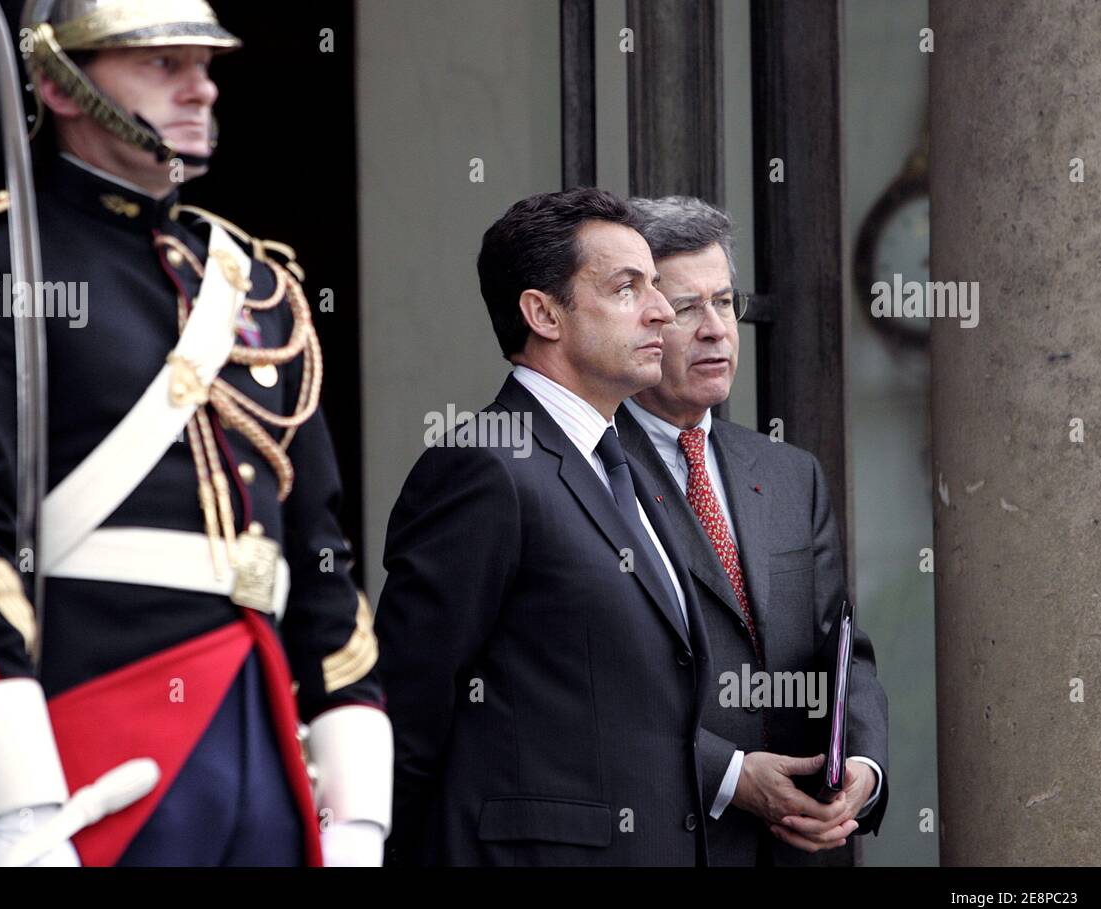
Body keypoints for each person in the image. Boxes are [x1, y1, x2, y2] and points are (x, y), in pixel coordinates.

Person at [0, 0, 390, 867]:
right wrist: (18, 799)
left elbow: (318, 555)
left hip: (266, 739)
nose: (201, 89)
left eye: (205, 65)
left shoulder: (255, 285)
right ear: (60, 86)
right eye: (162, 65)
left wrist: (357, 810)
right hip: (90, 736)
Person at [376, 188, 715, 866]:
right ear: (543, 314)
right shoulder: (482, 466)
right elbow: (408, 709)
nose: (660, 310)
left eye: (655, 286)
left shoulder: (624, 465)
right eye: (627, 288)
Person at [616, 195, 889, 865]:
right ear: (640, 320)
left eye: (724, 302)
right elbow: (585, 689)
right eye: (687, 309)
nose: (716, 330)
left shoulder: (791, 473)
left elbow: (843, 649)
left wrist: (863, 768)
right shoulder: (589, 471)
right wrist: (730, 776)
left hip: (801, 848)